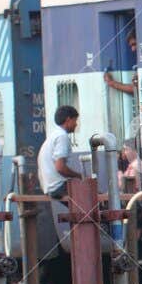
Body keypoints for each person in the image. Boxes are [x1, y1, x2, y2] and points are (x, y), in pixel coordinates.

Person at [37, 105, 83, 249]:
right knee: (95, 199)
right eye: (75, 120)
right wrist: (79, 176)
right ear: (68, 120)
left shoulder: (52, 136)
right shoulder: (62, 137)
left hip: (49, 186)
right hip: (58, 186)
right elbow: (60, 167)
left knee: (86, 203)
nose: (76, 124)